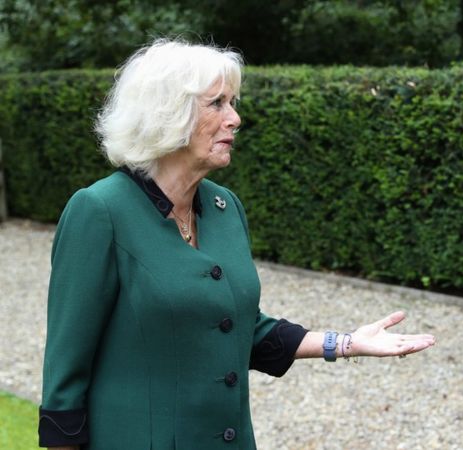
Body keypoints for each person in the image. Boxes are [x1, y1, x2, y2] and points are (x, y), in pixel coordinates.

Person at [37, 39, 435, 450]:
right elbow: (65, 376)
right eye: (217, 103)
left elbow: (241, 328)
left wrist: (348, 343)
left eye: (233, 102)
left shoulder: (225, 208)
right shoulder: (100, 211)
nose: (235, 118)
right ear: (166, 113)